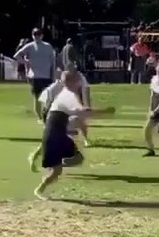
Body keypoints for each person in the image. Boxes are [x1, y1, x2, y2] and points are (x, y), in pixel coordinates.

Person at [31, 71, 108, 199]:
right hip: (54, 136)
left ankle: (51, 164)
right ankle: (40, 189)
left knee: (78, 158)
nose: (80, 83)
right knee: (57, 171)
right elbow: (82, 112)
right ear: (71, 82)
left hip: (61, 135)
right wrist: (104, 112)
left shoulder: (69, 94)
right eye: (78, 81)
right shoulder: (67, 96)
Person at [15, 28, 58, 115]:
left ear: (42, 35)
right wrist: (26, 62)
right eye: (35, 34)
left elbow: (53, 62)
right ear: (32, 35)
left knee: (46, 98)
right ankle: (41, 117)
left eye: (38, 34)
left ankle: (45, 115)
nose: (37, 36)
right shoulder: (30, 46)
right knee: (38, 98)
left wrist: (53, 75)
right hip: (36, 77)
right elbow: (17, 56)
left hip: (46, 76)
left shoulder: (48, 46)